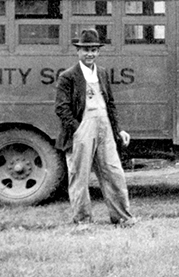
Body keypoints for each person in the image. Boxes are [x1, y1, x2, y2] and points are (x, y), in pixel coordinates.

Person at [55, 28, 136, 228]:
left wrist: (118, 130)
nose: (90, 54)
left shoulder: (101, 73)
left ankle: (122, 217)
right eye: (86, 50)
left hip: (104, 127)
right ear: (78, 52)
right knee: (79, 177)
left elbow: (110, 104)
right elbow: (61, 107)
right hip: (81, 130)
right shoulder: (68, 76)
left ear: (98, 52)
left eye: (93, 50)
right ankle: (83, 221)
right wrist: (78, 128)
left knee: (113, 172)